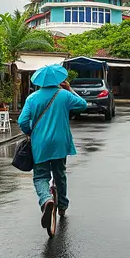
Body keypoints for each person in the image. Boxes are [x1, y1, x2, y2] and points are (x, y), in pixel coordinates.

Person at [18, 65, 87, 229]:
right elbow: (83, 104)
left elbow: (22, 121)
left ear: (40, 82)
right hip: (60, 143)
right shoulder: (64, 95)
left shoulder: (32, 98)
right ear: (58, 80)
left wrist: (30, 132)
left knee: (41, 176)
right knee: (60, 174)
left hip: (40, 144)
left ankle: (46, 200)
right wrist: (70, 89)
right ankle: (62, 205)